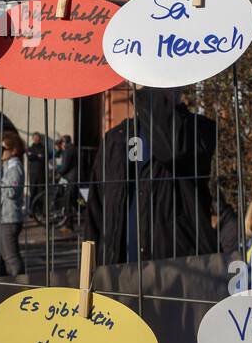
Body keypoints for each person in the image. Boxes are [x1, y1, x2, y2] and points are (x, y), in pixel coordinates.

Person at [83, 87, 218, 264]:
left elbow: (171, 148)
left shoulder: (197, 130)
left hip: (179, 269)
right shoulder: (116, 139)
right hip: (119, 267)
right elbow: (96, 207)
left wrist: (149, 96)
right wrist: (92, 267)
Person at [0, 130, 27, 276]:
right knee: (4, 257)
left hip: (9, 218)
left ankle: (19, 283)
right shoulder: (7, 166)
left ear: (13, 150)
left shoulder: (15, 166)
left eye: (4, 149)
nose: (0, 152)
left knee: (11, 257)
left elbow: (12, 191)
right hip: (2, 217)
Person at [26, 132, 47, 208]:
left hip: (41, 173)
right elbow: (29, 157)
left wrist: (34, 155)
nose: (36, 139)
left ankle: (40, 210)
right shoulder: (30, 148)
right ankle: (32, 209)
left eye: (37, 137)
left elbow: (43, 157)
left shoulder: (43, 147)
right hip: (32, 173)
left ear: (39, 138)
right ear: (32, 138)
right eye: (34, 138)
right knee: (33, 191)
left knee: (41, 191)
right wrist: (37, 155)